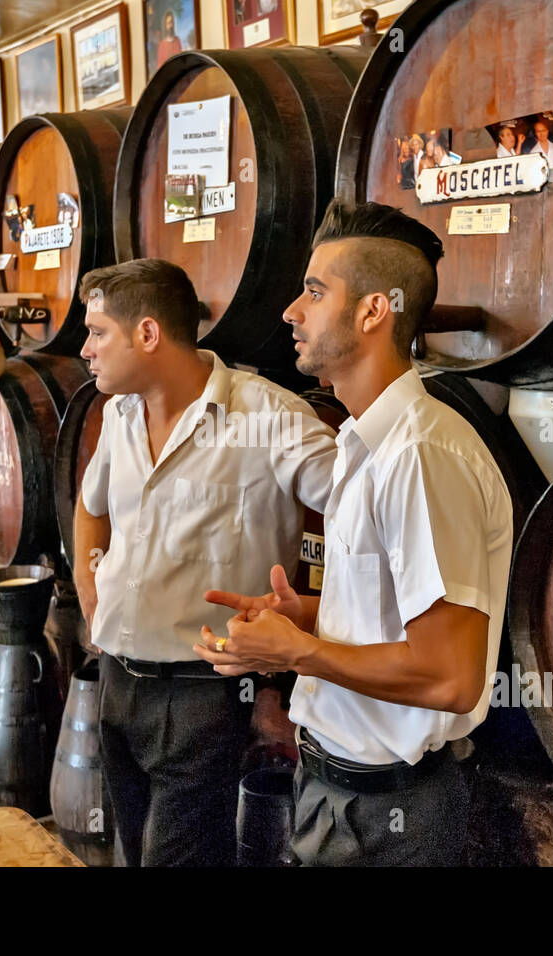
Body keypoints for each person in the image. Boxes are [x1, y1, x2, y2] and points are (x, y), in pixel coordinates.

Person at [197, 200, 514, 866]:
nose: (291, 310)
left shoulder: (421, 457)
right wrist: (303, 619)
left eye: (314, 292)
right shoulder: (364, 443)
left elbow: (449, 678)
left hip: (391, 819)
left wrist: (298, 653)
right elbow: (396, 623)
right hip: (336, 792)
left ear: (374, 311)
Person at [73, 258, 337, 866]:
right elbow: (90, 507)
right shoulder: (119, 413)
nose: (85, 349)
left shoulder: (269, 419)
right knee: (130, 854)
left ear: (147, 334)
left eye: (98, 333)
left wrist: (307, 627)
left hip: (203, 693)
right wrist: (92, 598)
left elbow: (368, 520)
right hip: (116, 681)